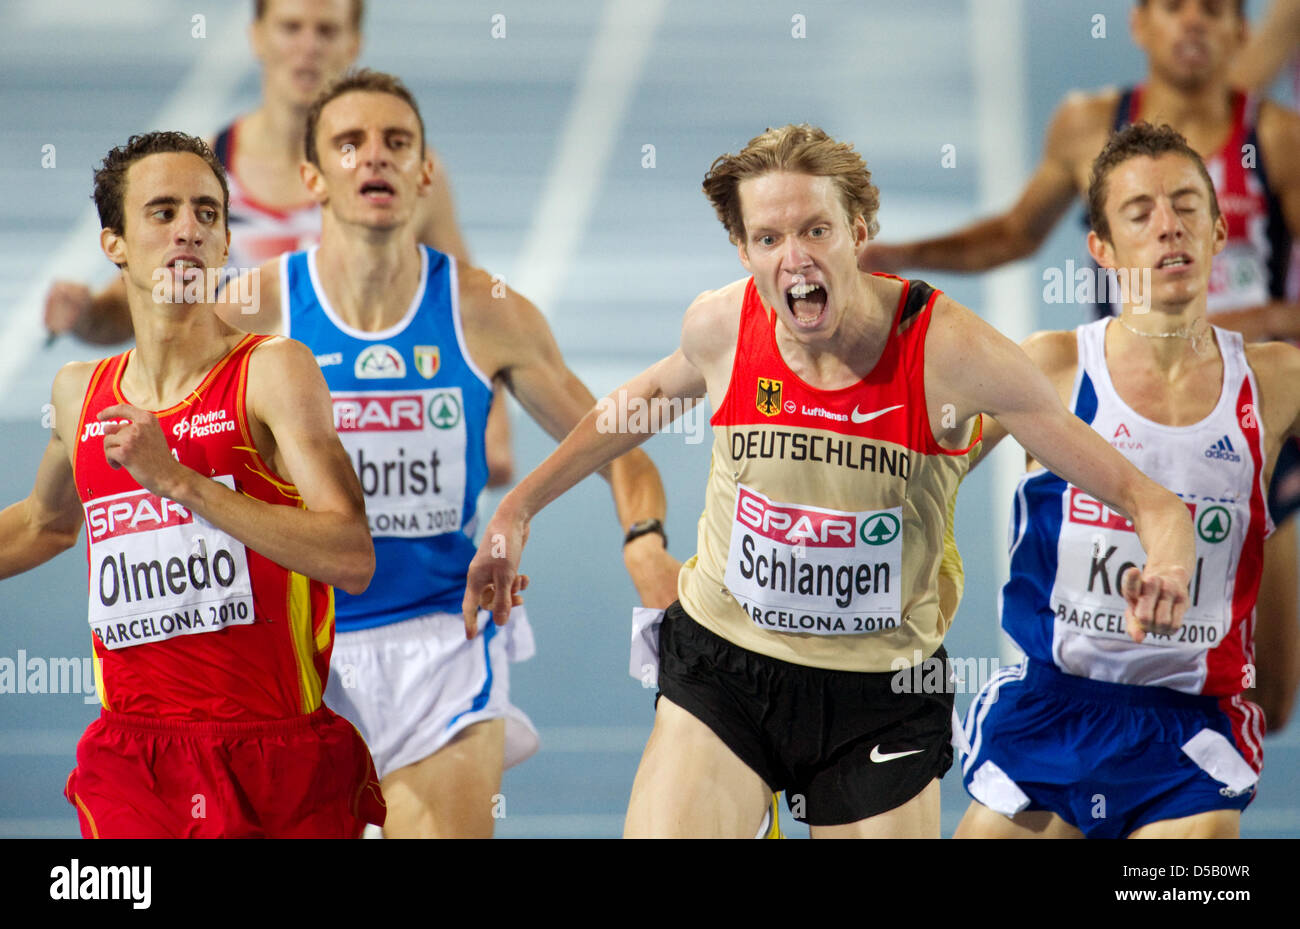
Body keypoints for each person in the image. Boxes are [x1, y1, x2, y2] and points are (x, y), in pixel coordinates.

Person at [461, 124, 1199, 839]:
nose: (796, 258)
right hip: (724, 670)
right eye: (769, 238)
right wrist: (518, 510)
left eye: (817, 230)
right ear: (742, 248)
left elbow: (1150, 500)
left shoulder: (951, 353)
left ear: (860, 228)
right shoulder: (723, 326)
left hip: (877, 696)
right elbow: (634, 406)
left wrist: (1167, 556)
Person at [202, 69, 680, 837]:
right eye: (349, 144)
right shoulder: (250, 313)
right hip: (298, 652)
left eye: (397, 143)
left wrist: (646, 546)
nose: (374, 159)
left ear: (425, 172)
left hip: (443, 638)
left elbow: (621, 450)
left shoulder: (485, 314)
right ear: (310, 178)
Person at [863, 0, 1300, 732]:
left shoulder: (1278, 140)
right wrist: (902, 259)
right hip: (1118, 415)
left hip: (1243, 418)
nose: (1193, 23)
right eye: (1174, 7)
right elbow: (1012, 231)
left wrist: (1228, 328)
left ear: (1239, 33)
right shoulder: (1088, 124)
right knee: (1100, 647)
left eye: (1215, 10)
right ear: (1138, 24)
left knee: (1269, 696)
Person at [0, 131, 385, 837]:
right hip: (135, 760)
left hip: (277, 756)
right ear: (113, 242)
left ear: (227, 239)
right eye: (164, 211)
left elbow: (349, 553)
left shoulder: (272, 371)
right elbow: (43, 524)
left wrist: (178, 481)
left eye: (208, 213)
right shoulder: (81, 392)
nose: (189, 229)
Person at [957, 122, 1300, 839]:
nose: (1169, 226)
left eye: (1187, 206)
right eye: (1141, 214)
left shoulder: (1274, 381)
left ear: (1215, 234)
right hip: (1051, 709)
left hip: (1188, 729)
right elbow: (924, 469)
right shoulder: (1050, 368)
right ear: (1103, 251)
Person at [41, 0, 515, 486]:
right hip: (251, 444)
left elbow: (461, 312)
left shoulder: (399, 172)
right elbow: (143, 303)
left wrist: (493, 428)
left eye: (326, 31)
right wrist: (86, 314)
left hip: (383, 441)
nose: (308, 47)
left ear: (354, 45)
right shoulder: (204, 170)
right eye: (291, 28)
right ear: (257, 37)